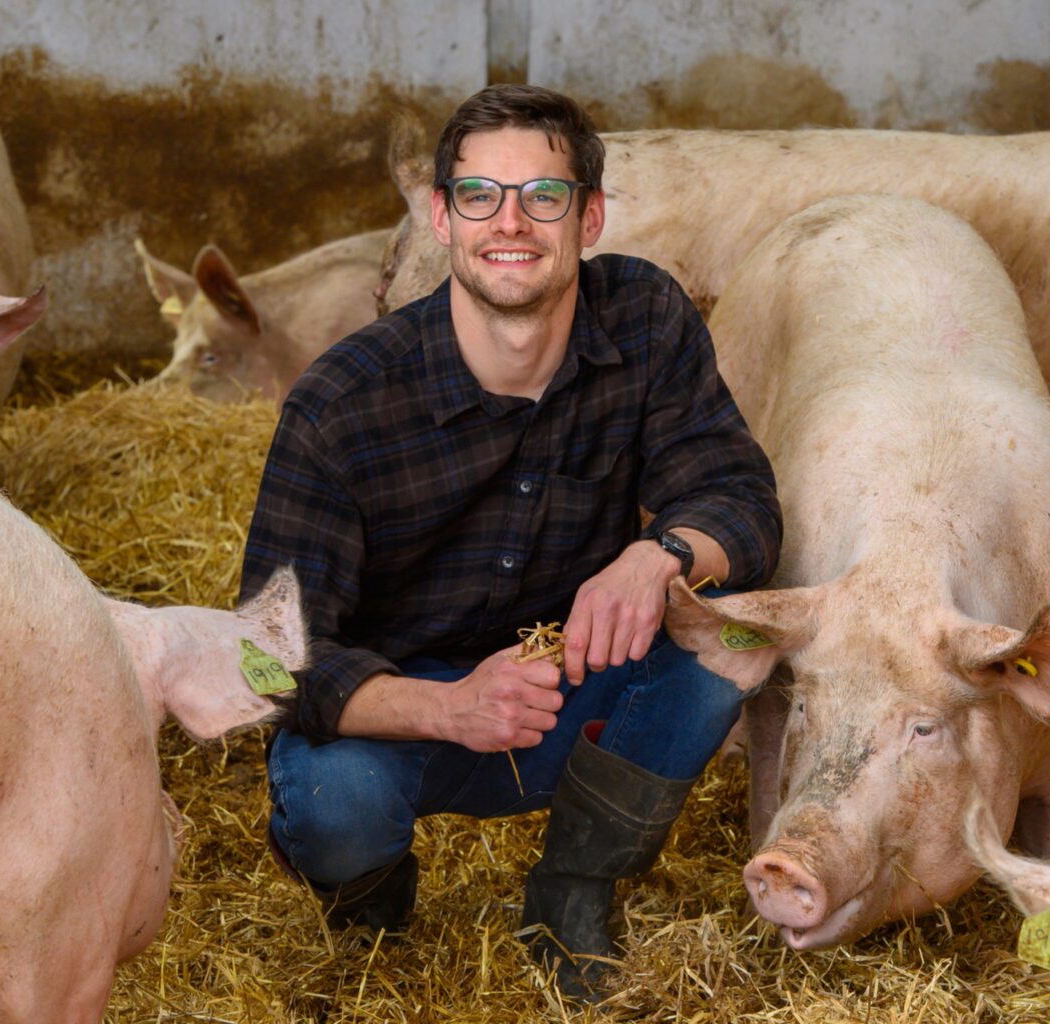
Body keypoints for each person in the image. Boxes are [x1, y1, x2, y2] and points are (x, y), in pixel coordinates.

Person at [240, 83, 782, 1001]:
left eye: (544, 196)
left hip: (571, 685)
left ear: (590, 217)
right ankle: (368, 888)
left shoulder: (646, 319)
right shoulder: (341, 405)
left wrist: (659, 557)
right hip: (399, 712)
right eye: (480, 195)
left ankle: (574, 886)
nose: (512, 222)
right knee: (338, 806)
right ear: (443, 219)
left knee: (726, 631)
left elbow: (740, 498)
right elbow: (260, 657)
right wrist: (448, 709)